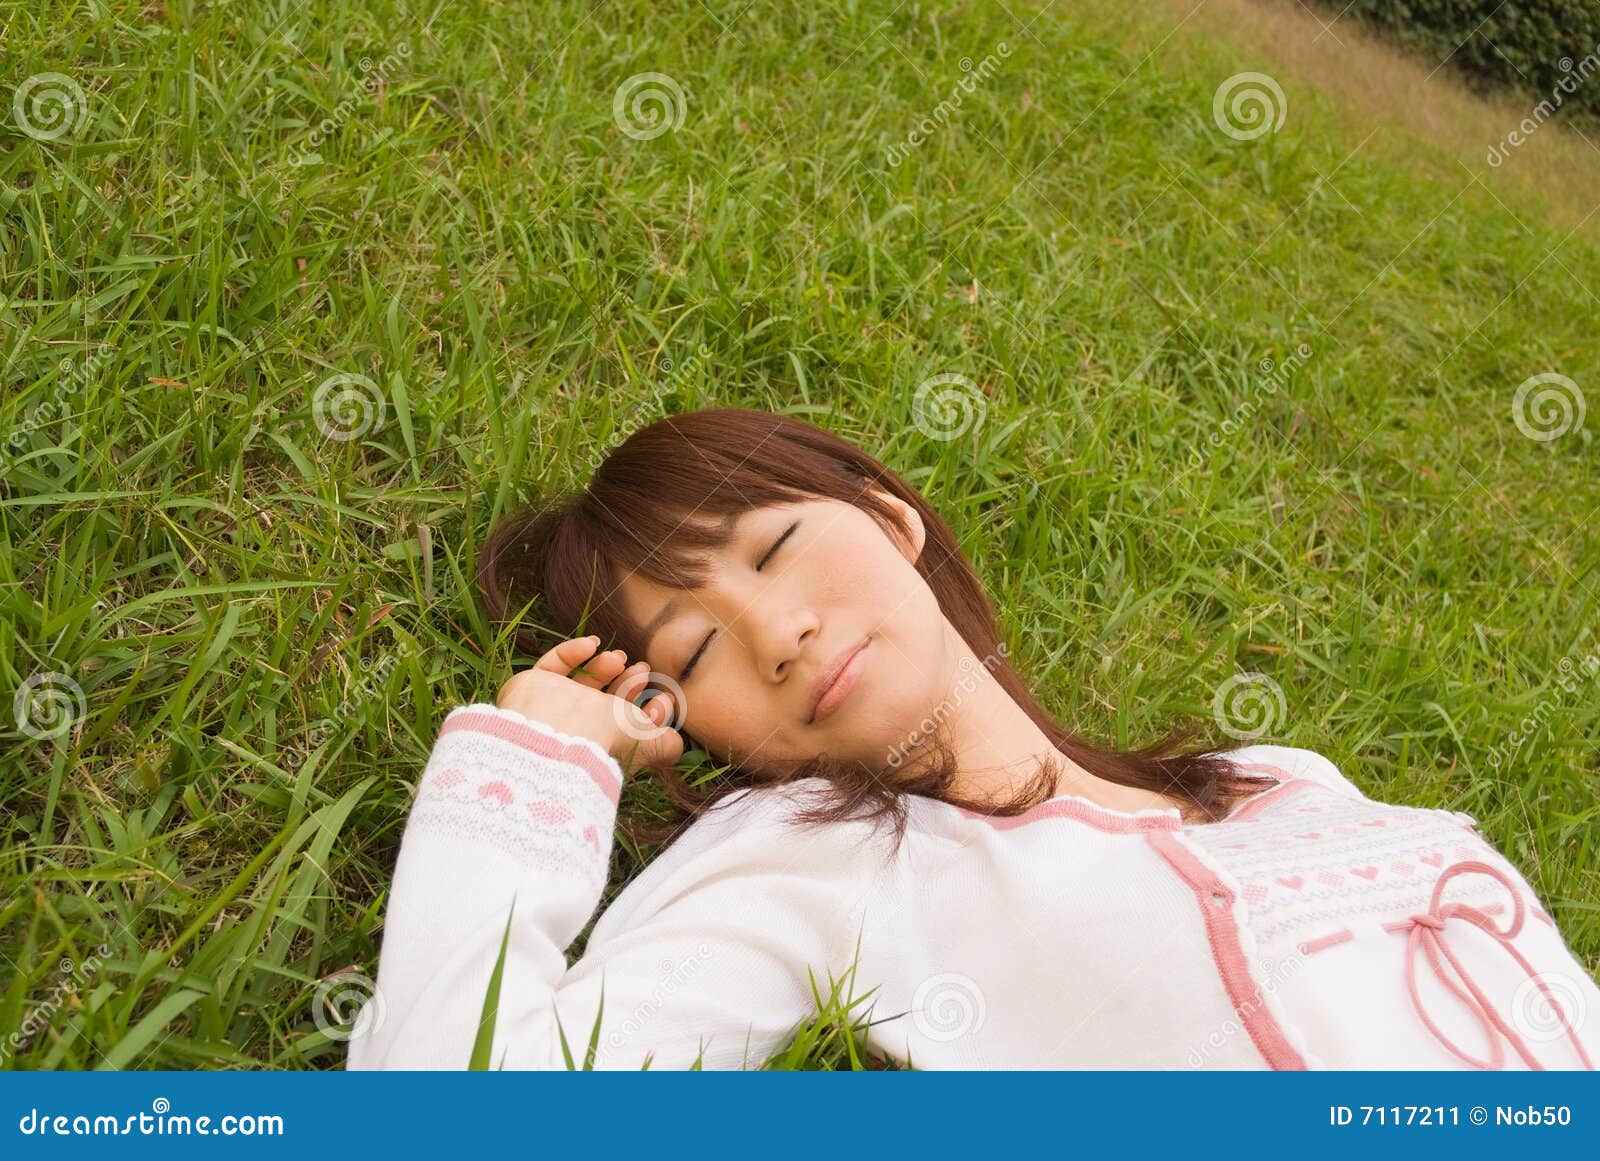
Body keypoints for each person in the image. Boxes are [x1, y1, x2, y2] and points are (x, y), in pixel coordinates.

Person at [344, 407, 1599, 1070]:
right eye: (692, 654)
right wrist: (528, 765)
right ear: (684, 722)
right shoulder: (810, 860)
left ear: (892, 522)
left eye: (775, 548)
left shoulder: (1284, 780)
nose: (776, 629)